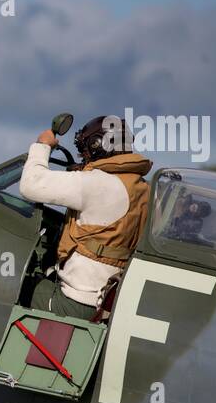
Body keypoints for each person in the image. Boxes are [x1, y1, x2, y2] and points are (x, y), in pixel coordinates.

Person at [19, 115, 153, 319]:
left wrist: (42, 145)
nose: (82, 155)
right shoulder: (142, 188)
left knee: (11, 286)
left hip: (74, 303)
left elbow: (31, 185)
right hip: (105, 305)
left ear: (98, 145)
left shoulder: (96, 184)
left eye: (84, 149)